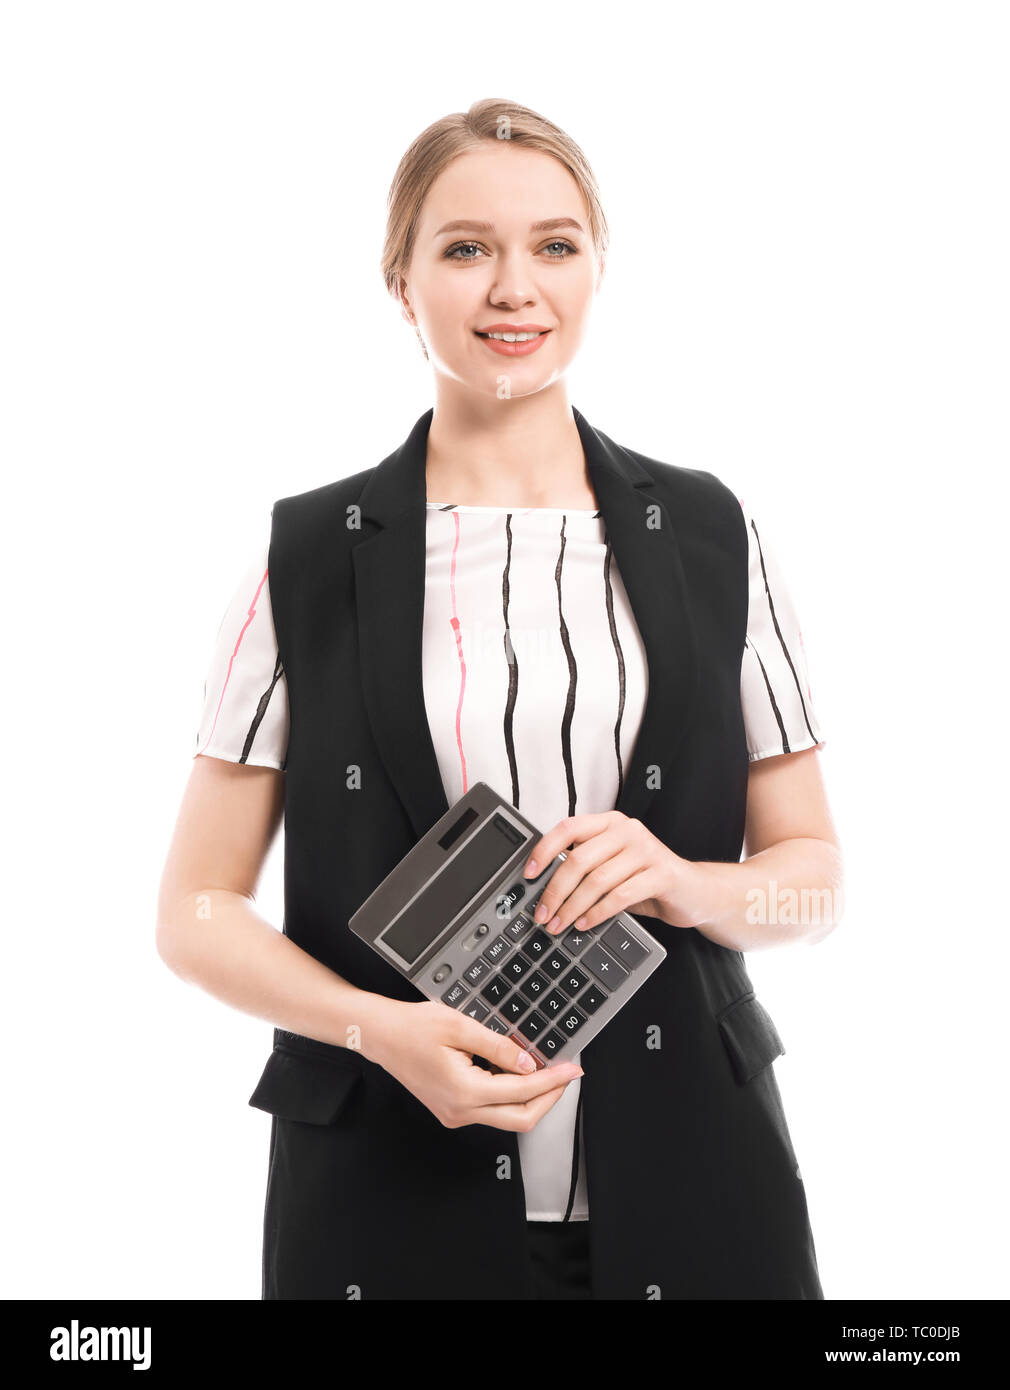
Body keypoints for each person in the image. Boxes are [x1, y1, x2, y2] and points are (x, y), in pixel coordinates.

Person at [157, 98, 843, 1301]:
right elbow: (194, 910)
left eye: (555, 245)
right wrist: (378, 1027)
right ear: (399, 279)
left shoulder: (709, 537)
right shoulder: (309, 557)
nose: (513, 287)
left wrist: (683, 881)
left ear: (596, 269)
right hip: (382, 1204)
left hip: (701, 1197)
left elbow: (811, 881)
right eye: (465, 247)